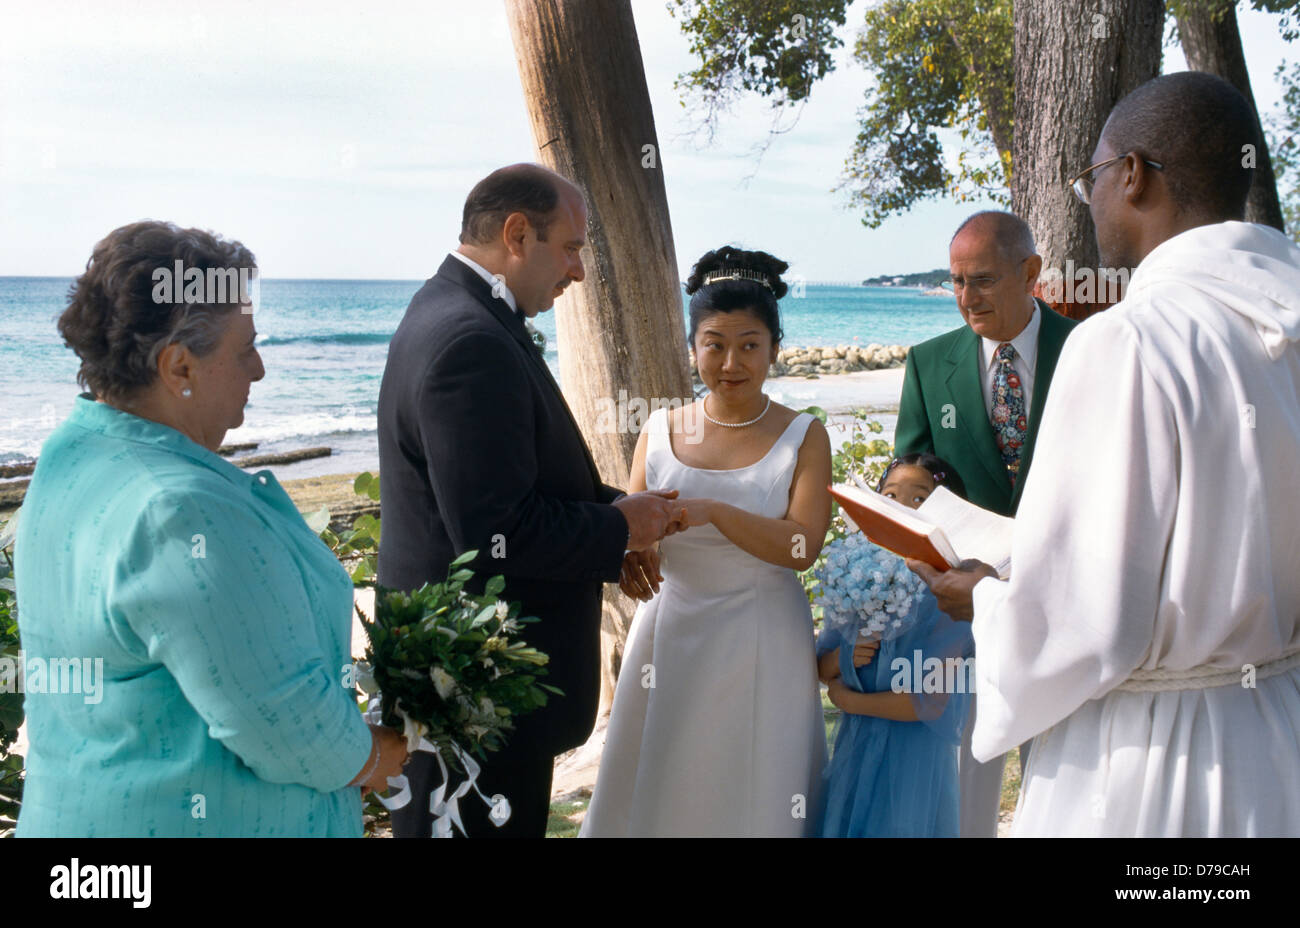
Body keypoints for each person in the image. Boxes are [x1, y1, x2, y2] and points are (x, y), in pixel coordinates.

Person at [909, 71, 1300, 836]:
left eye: (1091, 181)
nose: (1090, 205)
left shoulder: (1129, 341)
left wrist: (984, 598)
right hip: (1280, 738)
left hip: (1157, 767)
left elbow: (1082, 622)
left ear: (1135, 175)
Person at [14, 221, 407, 837]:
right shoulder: (179, 509)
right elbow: (287, 730)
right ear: (179, 368)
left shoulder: (70, 456)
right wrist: (386, 754)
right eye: (245, 347)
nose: (259, 369)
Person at [376, 164, 684, 838]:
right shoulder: (470, 341)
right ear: (518, 234)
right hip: (478, 694)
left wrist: (622, 527)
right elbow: (492, 530)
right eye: (571, 248)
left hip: (472, 689)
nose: (577, 271)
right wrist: (612, 528)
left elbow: (519, 486)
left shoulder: (456, 313)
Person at [580, 246, 831, 837]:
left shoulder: (804, 435)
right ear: (693, 348)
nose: (731, 362)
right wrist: (630, 555)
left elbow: (802, 548)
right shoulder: (661, 429)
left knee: (756, 781)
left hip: (764, 632)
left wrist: (716, 512)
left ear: (774, 346)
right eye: (714, 343)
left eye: (749, 344)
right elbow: (632, 531)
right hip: (672, 632)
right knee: (666, 775)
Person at [893, 210, 1079, 836]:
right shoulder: (927, 363)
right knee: (970, 769)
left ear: (1030, 273)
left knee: (1065, 769)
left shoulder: (1089, 350)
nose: (966, 298)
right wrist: (902, 496)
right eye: (955, 282)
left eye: (983, 280)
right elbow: (909, 474)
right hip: (965, 606)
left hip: (1068, 597)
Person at [816, 455, 974, 838]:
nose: (900, 507)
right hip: (856, 750)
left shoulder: (950, 599)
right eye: (889, 494)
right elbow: (822, 667)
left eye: (919, 499)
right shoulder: (859, 577)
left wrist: (850, 701)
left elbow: (931, 701)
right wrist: (846, 655)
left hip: (914, 761)